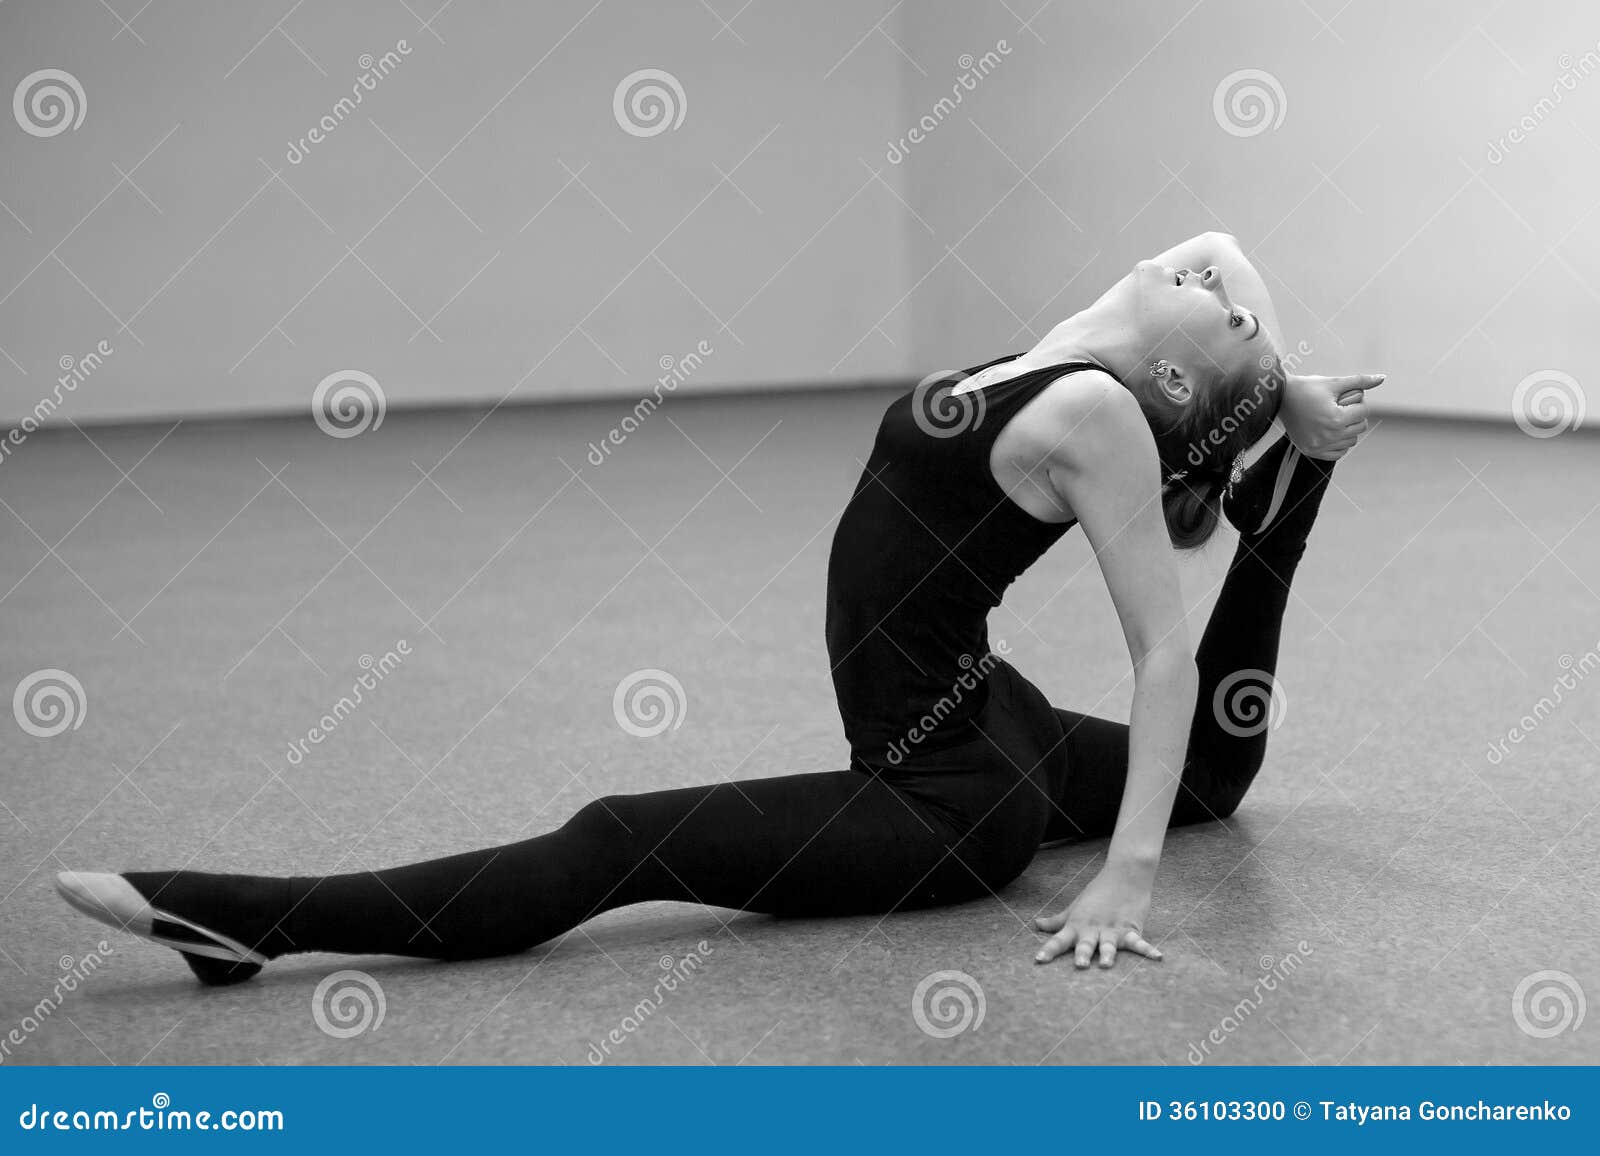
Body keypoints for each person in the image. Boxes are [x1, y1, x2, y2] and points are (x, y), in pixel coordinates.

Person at [56, 231, 1381, 985]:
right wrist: (1277, 386)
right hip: (992, 718)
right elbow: (1218, 241)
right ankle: (1303, 465)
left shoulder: (1094, 411)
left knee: (620, 840)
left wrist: (1127, 877)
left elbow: (1163, 653)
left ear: (1170, 383)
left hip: (950, 797)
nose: (1217, 282)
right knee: (1214, 783)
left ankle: (260, 924)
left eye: (1227, 317)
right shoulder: (1072, 349)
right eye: (1228, 301)